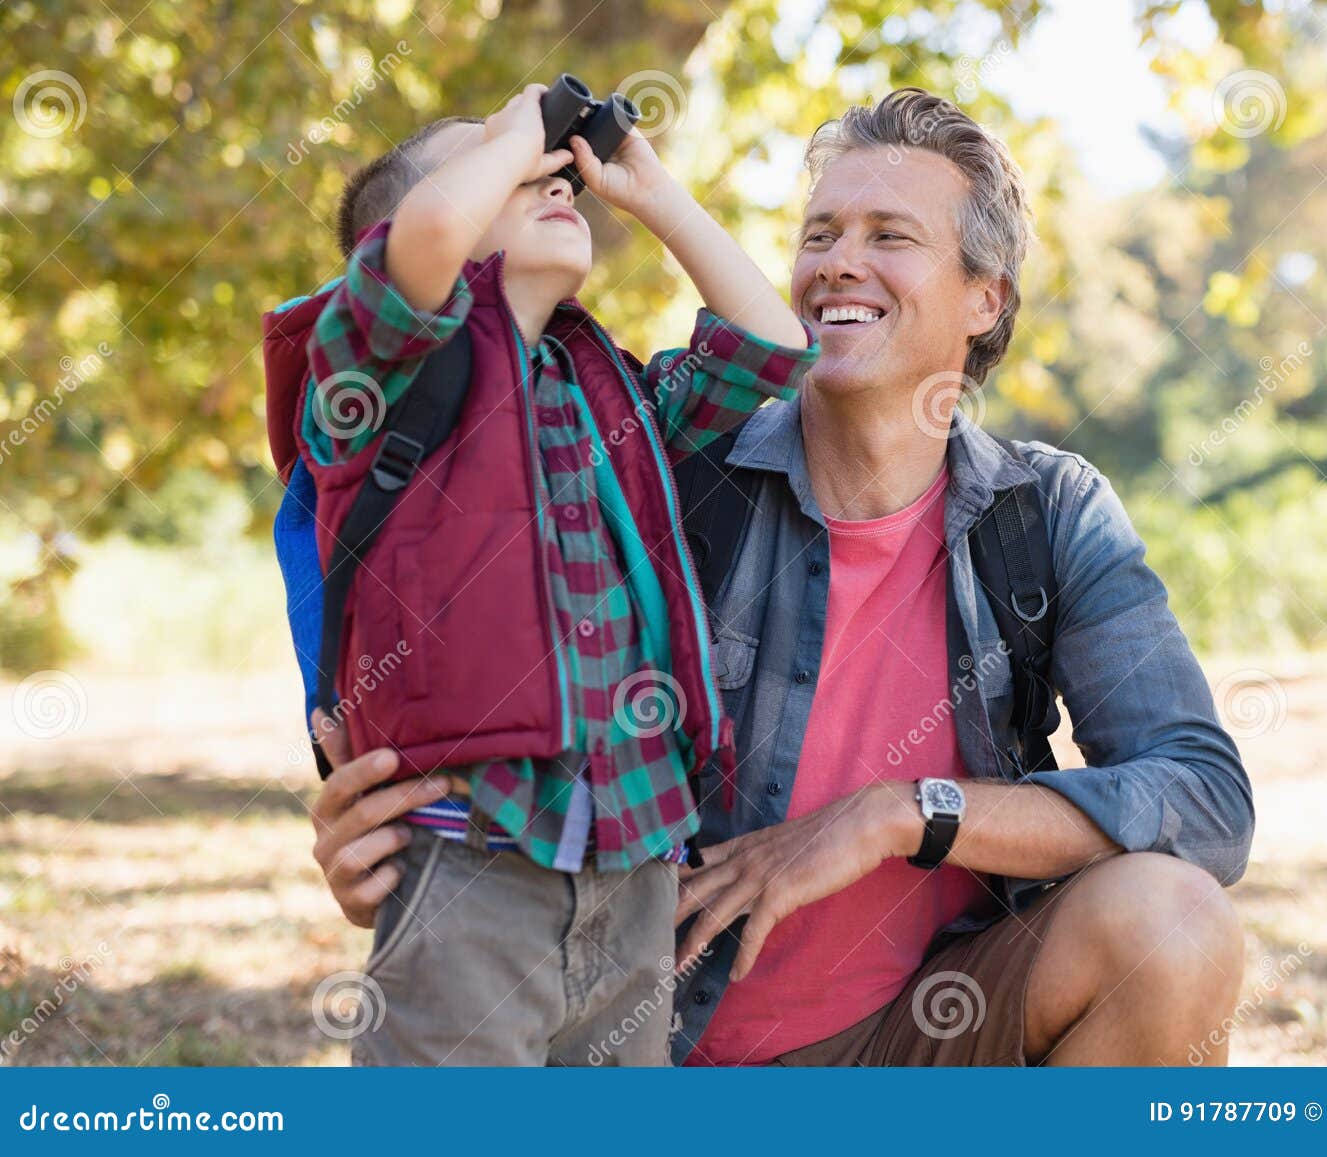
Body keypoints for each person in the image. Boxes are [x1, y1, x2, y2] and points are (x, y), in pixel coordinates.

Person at [304, 88, 1254, 1067]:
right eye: (820, 233)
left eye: (890, 234)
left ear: (986, 296)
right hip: (658, 1042)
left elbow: (1204, 799)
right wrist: (397, 824)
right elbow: (439, 588)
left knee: (1171, 923)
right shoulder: (660, 467)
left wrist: (897, 813)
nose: (841, 261)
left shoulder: (1044, 513)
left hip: (917, 1037)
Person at [263, 83, 816, 1065]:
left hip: (634, 858)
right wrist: (514, 126)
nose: (550, 171)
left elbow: (771, 344)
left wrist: (651, 193)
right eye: (506, 167)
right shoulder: (375, 372)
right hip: (471, 857)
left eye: (555, 169)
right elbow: (427, 237)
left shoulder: (607, 392)